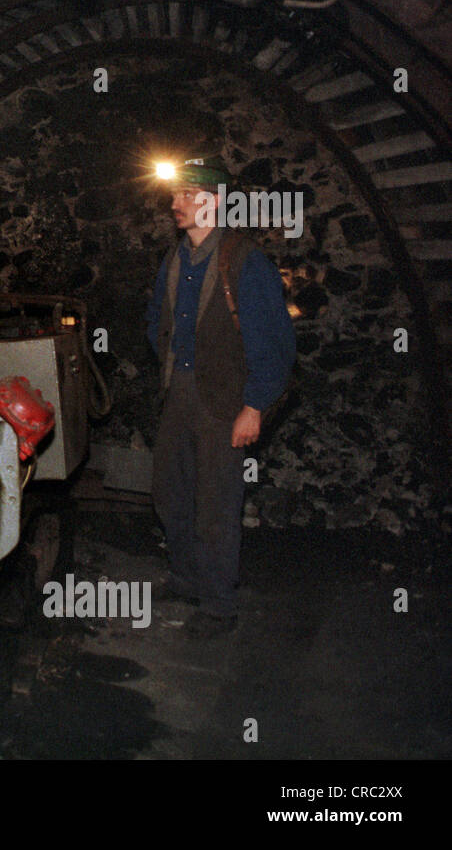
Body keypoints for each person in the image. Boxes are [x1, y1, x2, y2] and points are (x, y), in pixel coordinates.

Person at [145, 156, 296, 639]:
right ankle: (186, 577)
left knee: (216, 504)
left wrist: (254, 406)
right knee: (170, 492)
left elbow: (274, 341)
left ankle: (218, 605)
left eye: (186, 195)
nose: (175, 204)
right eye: (176, 195)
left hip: (225, 399)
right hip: (180, 391)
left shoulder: (244, 262)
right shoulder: (175, 258)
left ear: (214, 202)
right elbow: (157, 323)